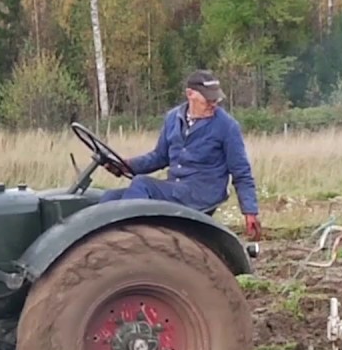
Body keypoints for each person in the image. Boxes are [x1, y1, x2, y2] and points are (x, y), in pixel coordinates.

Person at [98, 70, 262, 240]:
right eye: (208, 99)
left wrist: (250, 211)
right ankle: (102, 246)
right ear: (190, 94)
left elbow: (241, 172)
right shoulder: (172, 118)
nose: (213, 103)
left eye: (216, 99)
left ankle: (133, 243)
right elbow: (159, 157)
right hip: (175, 188)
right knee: (110, 198)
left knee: (142, 184)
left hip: (200, 193)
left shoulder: (227, 126)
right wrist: (127, 165)